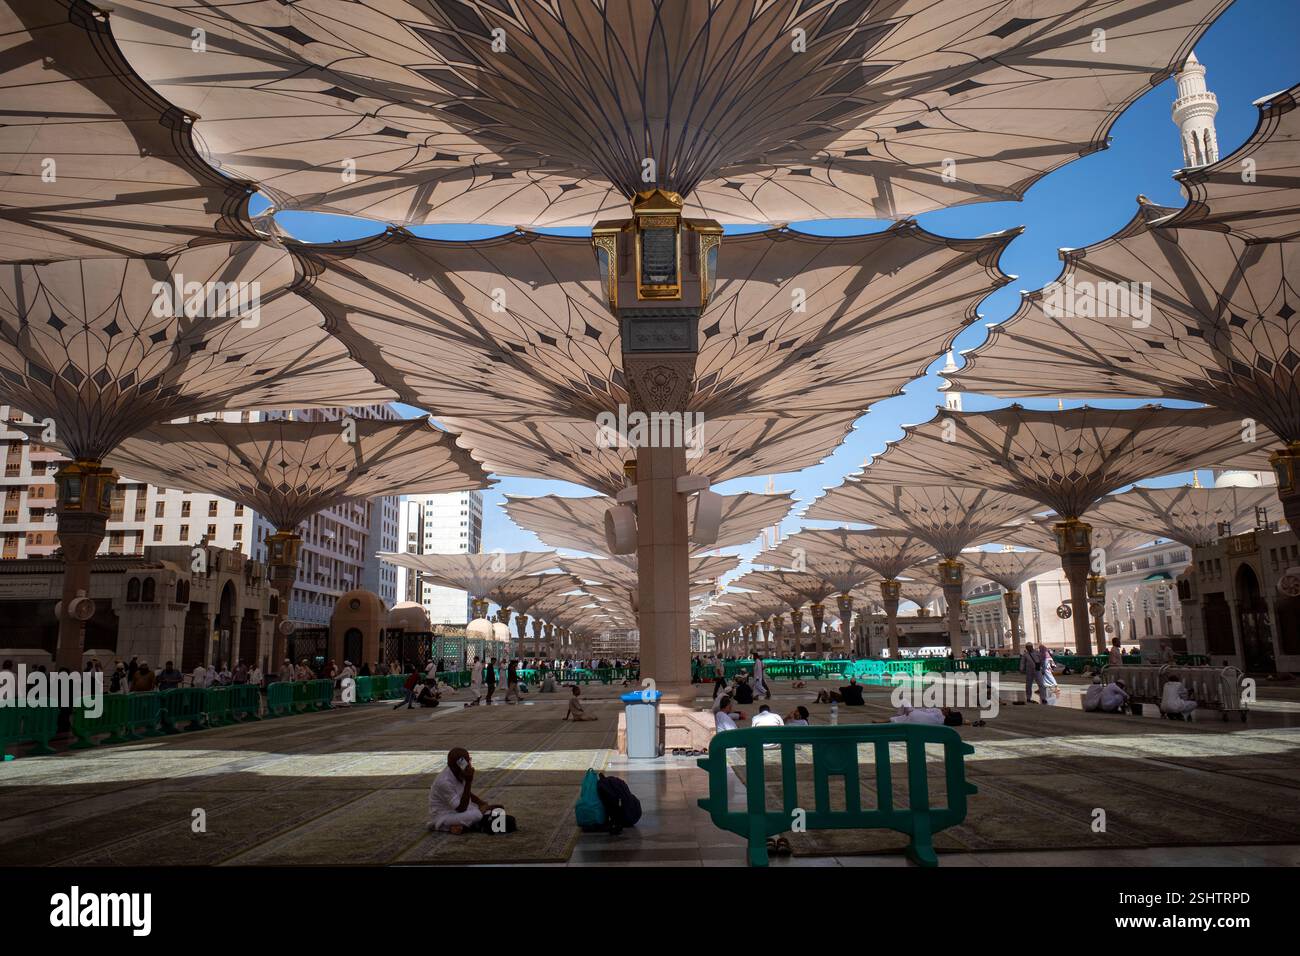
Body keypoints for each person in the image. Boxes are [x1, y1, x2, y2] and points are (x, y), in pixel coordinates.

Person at [427, 748, 505, 834]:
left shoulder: (460, 771)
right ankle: (444, 826)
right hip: (444, 815)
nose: (467, 765)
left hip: (458, 810)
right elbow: (461, 809)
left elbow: (465, 793)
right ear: (453, 766)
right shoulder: (444, 782)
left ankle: (460, 827)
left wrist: (481, 803)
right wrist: (468, 781)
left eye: (468, 761)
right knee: (476, 815)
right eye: (464, 763)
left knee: (496, 810)